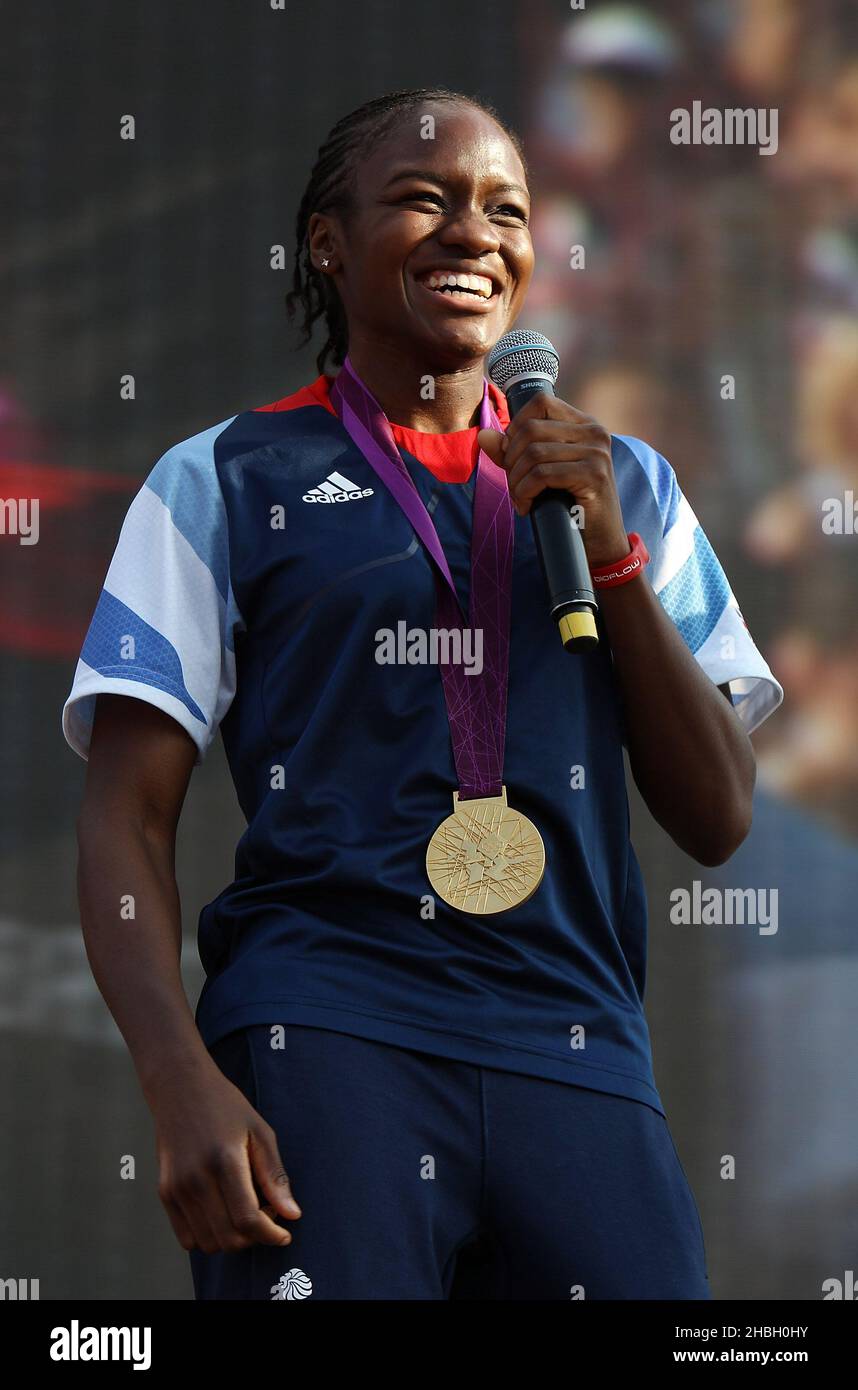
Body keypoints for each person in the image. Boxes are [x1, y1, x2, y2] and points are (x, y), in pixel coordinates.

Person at [63, 87, 783, 1301]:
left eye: (505, 210)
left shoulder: (627, 486)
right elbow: (125, 815)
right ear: (327, 243)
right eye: (422, 200)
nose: (473, 234)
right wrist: (176, 1076)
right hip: (327, 1032)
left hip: (579, 1042)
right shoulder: (222, 478)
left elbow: (718, 818)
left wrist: (609, 559)